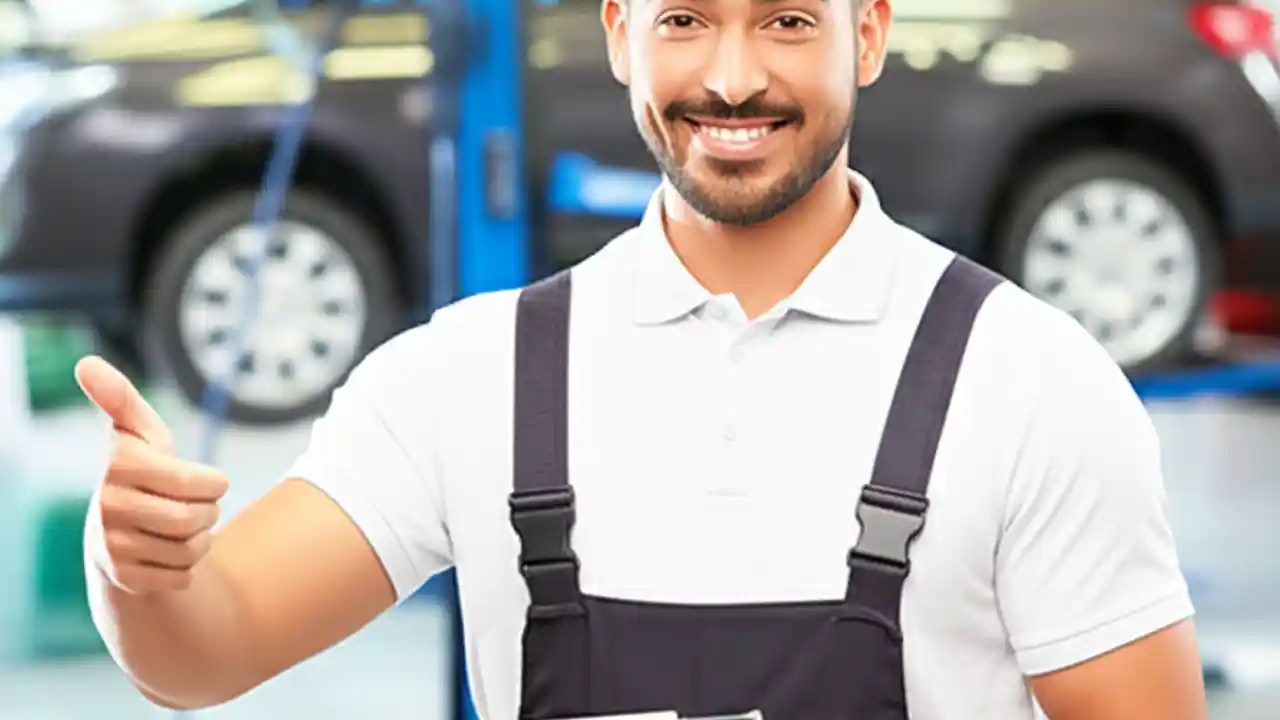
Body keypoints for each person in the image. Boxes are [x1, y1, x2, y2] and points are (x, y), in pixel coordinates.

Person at [76, 0, 1208, 717]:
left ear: (868, 29)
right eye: (684, 21)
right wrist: (135, 568)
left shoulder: (1030, 384)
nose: (728, 77)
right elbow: (200, 655)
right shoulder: (468, 377)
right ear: (618, 29)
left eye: (785, 22)